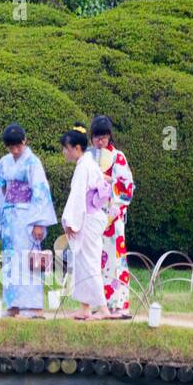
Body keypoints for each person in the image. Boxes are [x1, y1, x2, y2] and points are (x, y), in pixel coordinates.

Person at [0, 124, 57, 317]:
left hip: (27, 218)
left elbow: (40, 190)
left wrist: (40, 222)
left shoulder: (33, 162)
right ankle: (13, 304)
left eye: (18, 146)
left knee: (29, 260)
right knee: (10, 262)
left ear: (25, 142)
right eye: (11, 147)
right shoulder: (4, 162)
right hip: (9, 218)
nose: (15, 150)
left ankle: (33, 306)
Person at [59, 124, 110, 321]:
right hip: (90, 216)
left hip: (88, 217)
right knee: (82, 262)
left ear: (76, 148)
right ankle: (85, 307)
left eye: (66, 148)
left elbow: (78, 197)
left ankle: (103, 308)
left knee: (89, 262)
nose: (65, 152)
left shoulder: (84, 167)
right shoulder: (87, 164)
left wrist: (71, 222)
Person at [90, 114, 135, 319]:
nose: (101, 141)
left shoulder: (118, 157)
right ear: (92, 138)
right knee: (94, 260)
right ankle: (98, 304)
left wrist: (107, 179)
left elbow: (127, 187)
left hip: (113, 217)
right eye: (97, 137)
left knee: (115, 262)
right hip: (93, 215)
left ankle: (119, 305)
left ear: (110, 137)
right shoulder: (88, 158)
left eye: (104, 137)